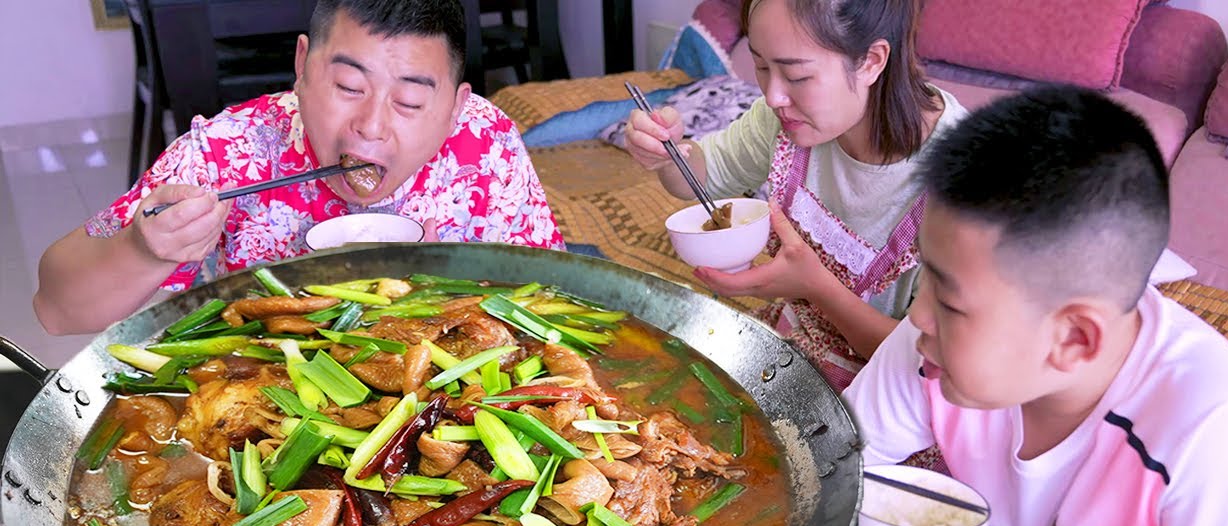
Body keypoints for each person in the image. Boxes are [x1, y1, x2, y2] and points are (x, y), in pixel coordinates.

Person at [811, 85, 1228, 526]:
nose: (917, 316)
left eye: (949, 303)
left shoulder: (1216, 429)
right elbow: (824, 475)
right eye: (927, 280)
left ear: (1074, 339)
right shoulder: (933, 341)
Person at [34, 0, 563, 336]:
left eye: (409, 102)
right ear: (302, 65)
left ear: (454, 105)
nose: (371, 127)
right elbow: (56, 310)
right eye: (349, 87)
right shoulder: (228, 152)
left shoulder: (483, 141)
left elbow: (552, 298)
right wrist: (143, 249)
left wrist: (442, 288)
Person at [625, 0, 965, 389]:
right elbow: (701, 177)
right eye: (761, 66)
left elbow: (926, 363)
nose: (773, 96)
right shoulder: (783, 121)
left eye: (796, 76)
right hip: (795, 349)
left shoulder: (965, 187)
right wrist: (667, 153)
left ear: (871, 61)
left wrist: (814, 286)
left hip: (894, 396)